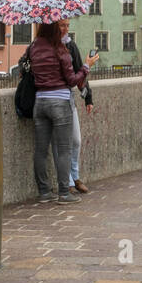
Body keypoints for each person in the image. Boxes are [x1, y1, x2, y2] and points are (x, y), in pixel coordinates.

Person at [28, 18, 97, 202]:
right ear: (54, 28)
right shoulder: (60, 49)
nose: (65, 29)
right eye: (62, 26)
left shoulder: (33, 47)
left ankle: (43, 193)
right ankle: (64, 193)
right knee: (65, 149)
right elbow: (72, 80)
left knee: (41, 150)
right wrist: (87, 66)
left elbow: (25, 69)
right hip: (59, 101)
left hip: (40, 102)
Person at [62, 24, 95, 194]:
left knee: (76, 140)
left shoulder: (70, 45)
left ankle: (74, 177)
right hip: (51, 100)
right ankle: (67, 181)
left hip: (67, 99)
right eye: (62, 25)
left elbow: (79, 72)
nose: (66, 29)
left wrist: (87, 97)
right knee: (61, 144)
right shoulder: (40, 45)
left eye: (67, 25)